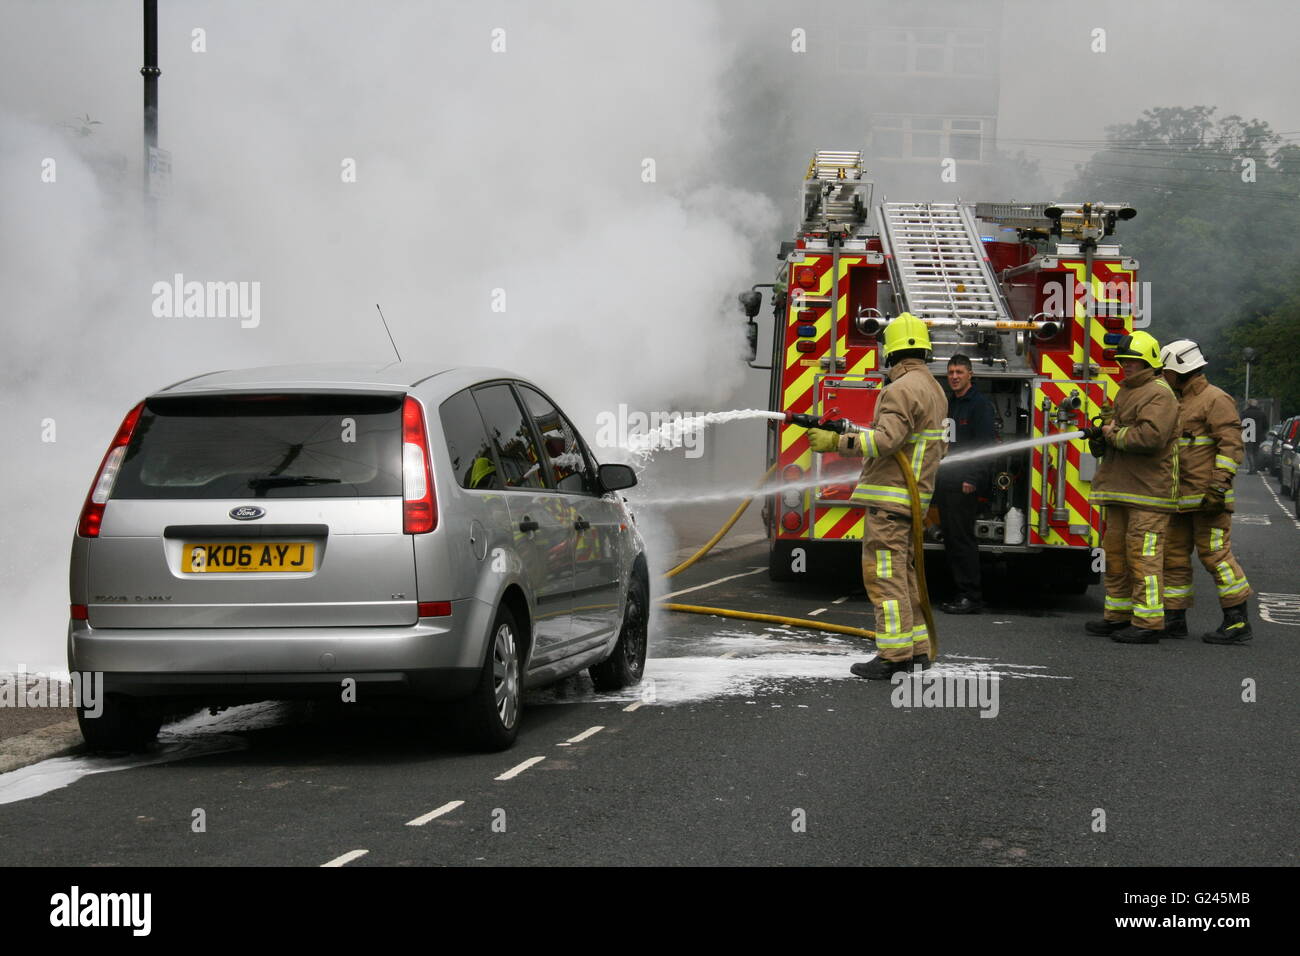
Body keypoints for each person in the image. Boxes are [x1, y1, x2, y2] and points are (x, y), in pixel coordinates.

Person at [807, 313, 948, 679]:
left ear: (892, 350)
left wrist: (835, 442)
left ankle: (893, 656)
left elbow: (885, 441)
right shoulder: (933, 388)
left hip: (891, 501)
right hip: (913, 499)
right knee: (905, 577)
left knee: (883, 577)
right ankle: (916, 649)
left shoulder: (900, 389)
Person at [1085, 330, 1180, 644]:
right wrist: (1100, 432)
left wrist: (1111, 433)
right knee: (1116, 556)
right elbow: (1115, 427)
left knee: (1144, 559)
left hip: (1149, 495)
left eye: (1133, 361)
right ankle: (1118, 615)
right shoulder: (1126, 391)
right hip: (1121, 489)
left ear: (1149, 362)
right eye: (1124, 360)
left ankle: (1149, 623)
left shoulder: (1160, 394)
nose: (1126, 366)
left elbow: (1150, 437)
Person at [1159, 339, 1254, 644]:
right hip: (1178, 499)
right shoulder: (1177, 400)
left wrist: (1218, 486)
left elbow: (1231, 445)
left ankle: (1237, 621)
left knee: (1216, 556)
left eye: (1167, 371)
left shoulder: (1216, 399)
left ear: (1180, 370)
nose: (1164, 376)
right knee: (1172, 558)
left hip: (1208, 498)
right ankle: (1174, 619)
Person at [936, 354, 997, 614]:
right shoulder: (952, 403)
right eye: (951, 372)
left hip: (964, 484)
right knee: (951, 539)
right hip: (947, 483)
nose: (954, 376)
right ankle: (960, 592)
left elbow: (984, 446)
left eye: (960, 371)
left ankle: (970, 596)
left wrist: (973, 478)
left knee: (962, 540)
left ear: (970, 374)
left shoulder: (979, 405)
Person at [1242, 399, 1268, 474]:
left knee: (1249, 452)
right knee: (1256, 452)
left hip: (1248, 434)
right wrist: (1263, 433)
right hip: (1258, 435)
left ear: (1248, 405)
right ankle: (1255, 468)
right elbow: (1266, 425)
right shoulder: (1261, 414)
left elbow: (1240, 423)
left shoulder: (1245, 413)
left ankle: (1252, 467)